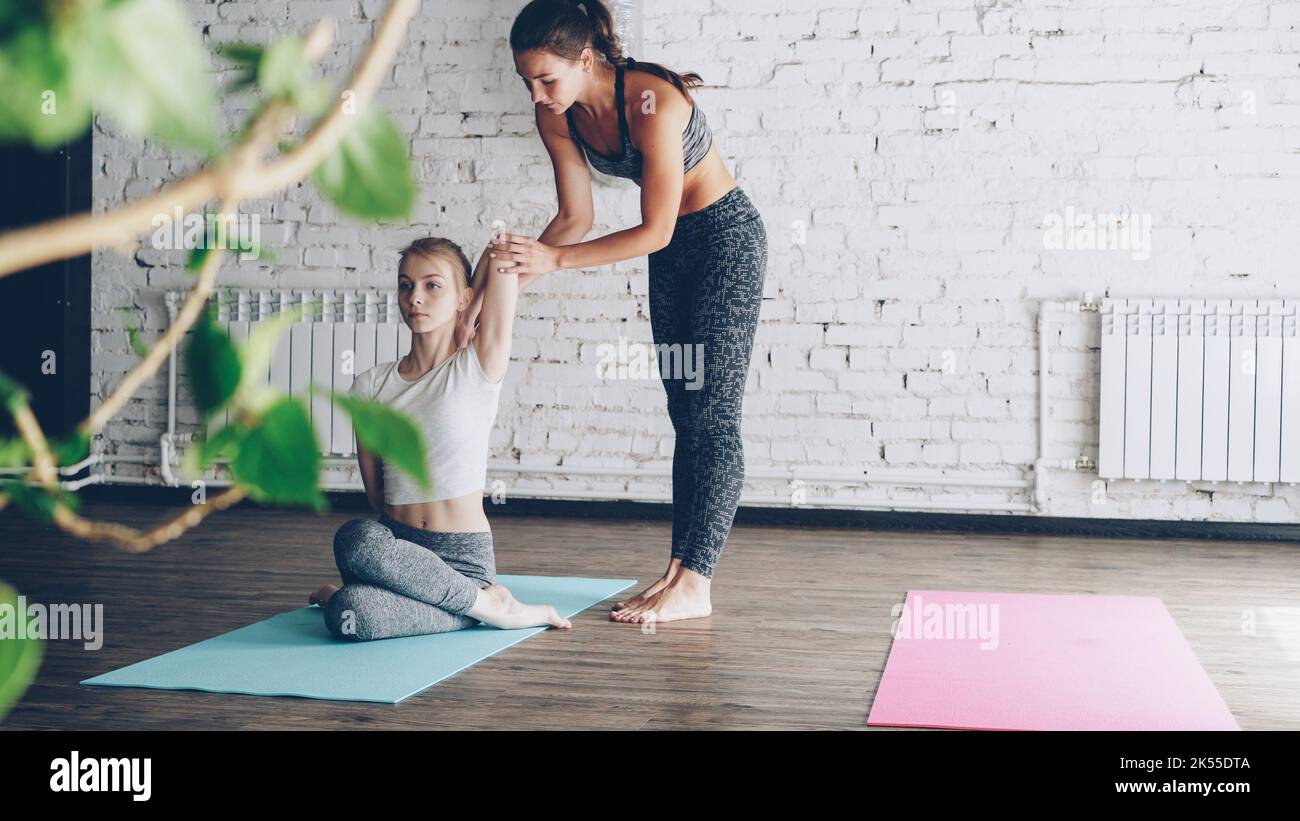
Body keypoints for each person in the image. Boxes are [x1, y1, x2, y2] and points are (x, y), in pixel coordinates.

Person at [457, 0, 769, 624]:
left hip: (725, 242)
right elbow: (575, 218)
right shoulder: (558, 117)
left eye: (548, 78)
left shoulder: (654, 102)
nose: (539, 94)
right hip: (673, 255)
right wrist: (488, 292)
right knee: (686, 410)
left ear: (586, 58)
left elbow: (653, 228)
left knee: (713, 411)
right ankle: (680, 571)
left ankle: (698, 583)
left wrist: (554, 262)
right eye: (528, 81)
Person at [308, 235, 572, 640]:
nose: (416, 297)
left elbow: (503, 249)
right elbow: (378, 499)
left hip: (461, 560)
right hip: (392, 552)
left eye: (433, 285)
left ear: (463, 298)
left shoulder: (478, 365)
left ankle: (472, 601)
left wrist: (472, 314)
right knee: (355, 539)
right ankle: (484, 607)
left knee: (351, 610)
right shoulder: (370, 387)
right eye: (406, 285)